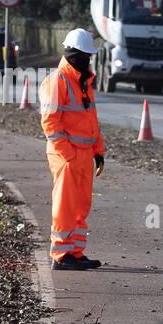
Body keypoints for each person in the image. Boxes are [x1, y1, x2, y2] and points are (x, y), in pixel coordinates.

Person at [39, 29, 105, 271]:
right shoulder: (57, 81)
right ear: (71, 53)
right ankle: (60, 254)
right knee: (66, 206)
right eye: (83, 55)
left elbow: (91, 120)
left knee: (80, 206)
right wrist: (68, 155)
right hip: (66, 155)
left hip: (84, 154)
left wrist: (98, 151)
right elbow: (50, 123)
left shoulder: (84, 82)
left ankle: (75, 252)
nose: (86, 60)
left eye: (88, 56)